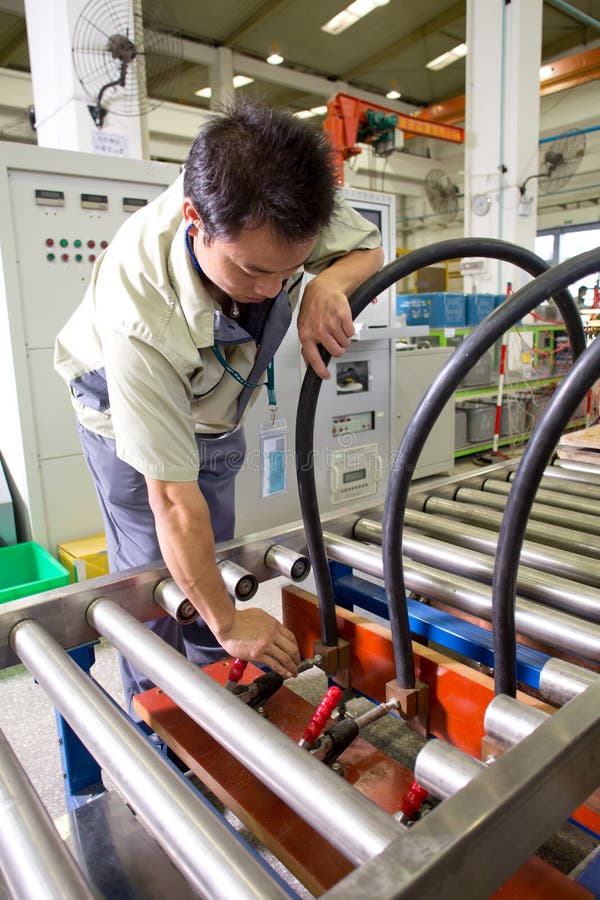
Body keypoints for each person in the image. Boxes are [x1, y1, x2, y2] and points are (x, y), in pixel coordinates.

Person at [54, 97, 384, 717]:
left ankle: (221, 692)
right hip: (117, 401)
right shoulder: (140, 315)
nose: (268, 290)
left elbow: (367, 251)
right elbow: (173, 502)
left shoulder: (281, 192)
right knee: (152, 579)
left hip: (216, 402)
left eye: (286, 272)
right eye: (253, 271)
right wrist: (232, 619)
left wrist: (324, 285)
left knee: (215, 558)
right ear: (194, 220)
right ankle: (157, 718)